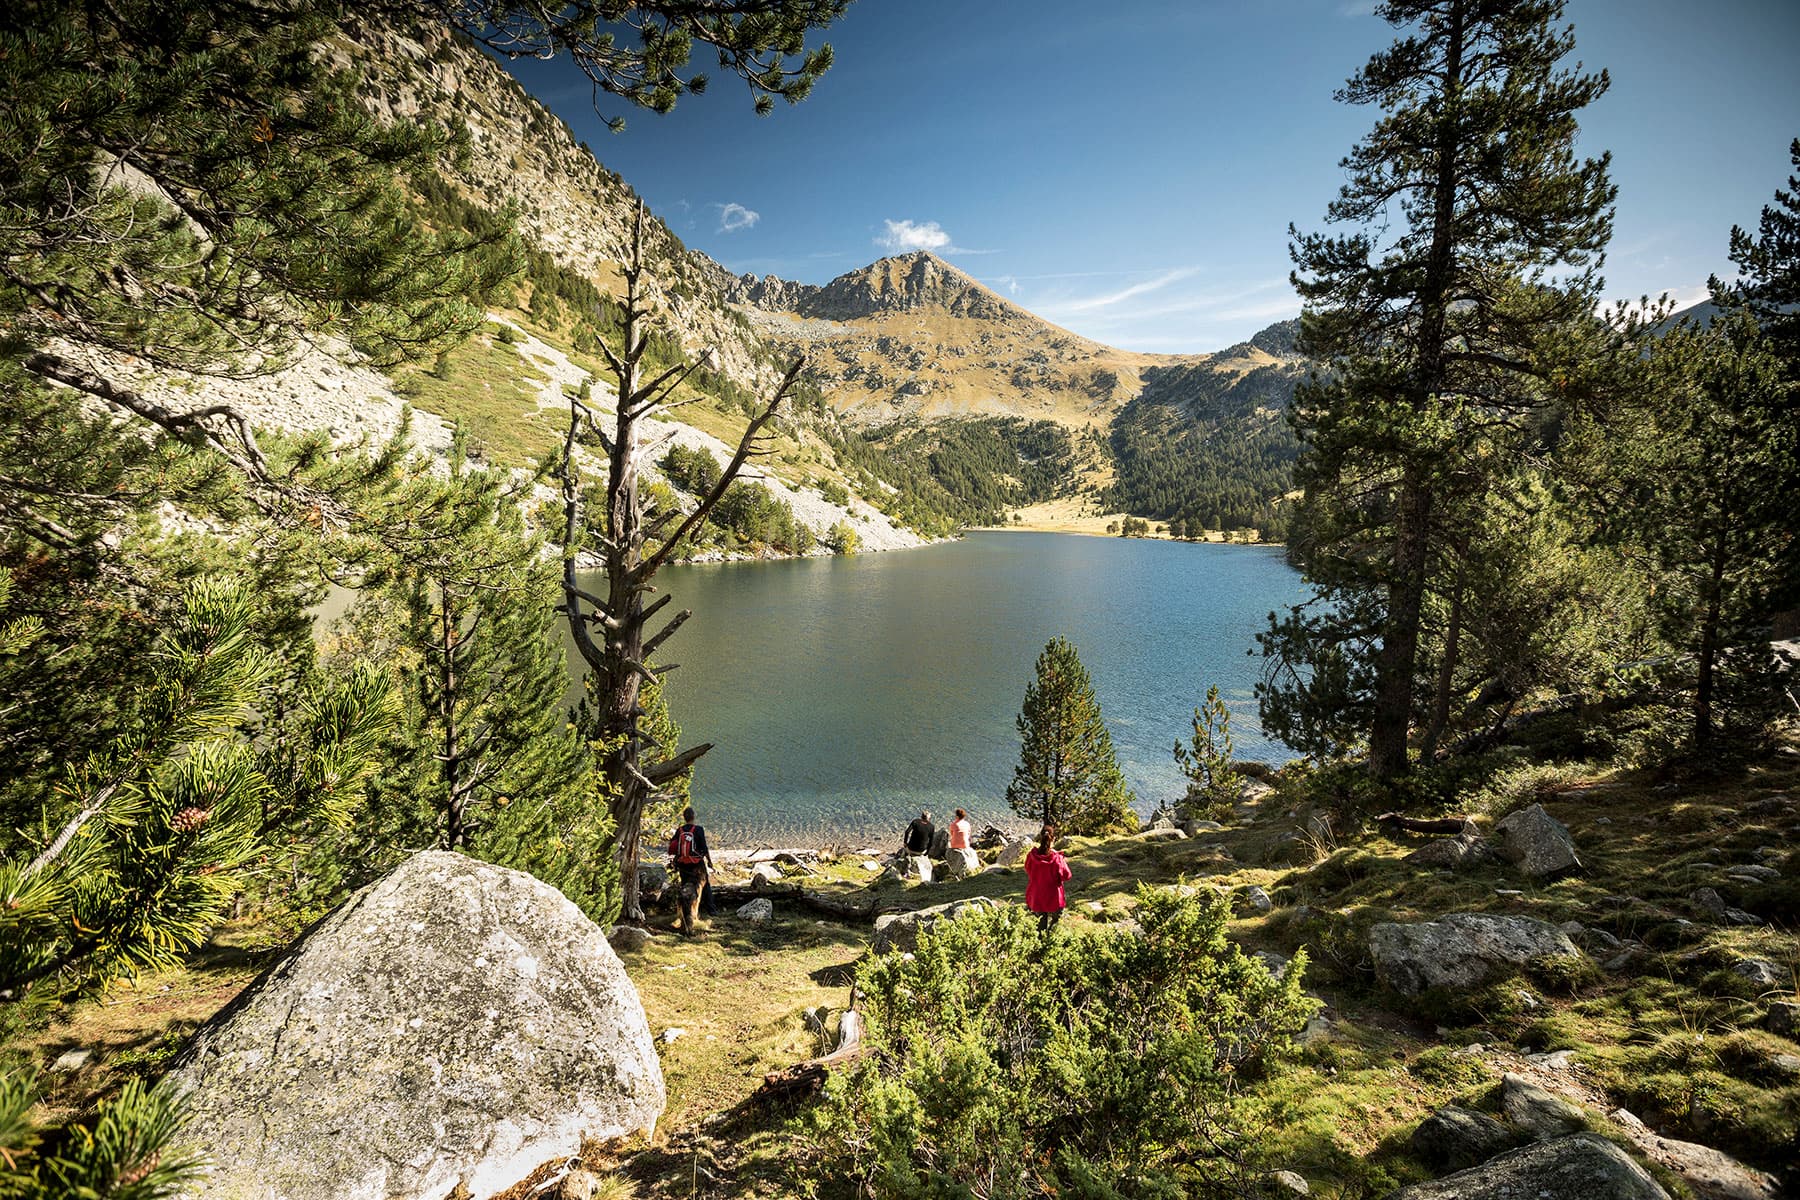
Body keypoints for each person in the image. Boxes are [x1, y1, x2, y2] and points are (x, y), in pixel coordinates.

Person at [667, 806, 714, 936]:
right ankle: (711, 910)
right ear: (693, 817)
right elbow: (704, 848)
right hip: (696, 864)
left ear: (684, 817)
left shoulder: (680, 830)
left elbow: (674, 847)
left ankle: (683, 913)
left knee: (685, 886)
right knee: (705, 885)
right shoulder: (698, 829)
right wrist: (709, 862)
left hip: (683, 864)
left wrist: (676, 862)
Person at [1023, 824, 1071, 934]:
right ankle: (1051, 941)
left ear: (1040, 838)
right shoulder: (1057, 859)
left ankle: (1040, 946)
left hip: (1036, 896)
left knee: (1040, 927)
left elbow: (1027, 869)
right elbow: (1067, 875)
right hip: (1054, 897)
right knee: (1055, 923)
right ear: (1053, 839)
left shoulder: (1031, 856)